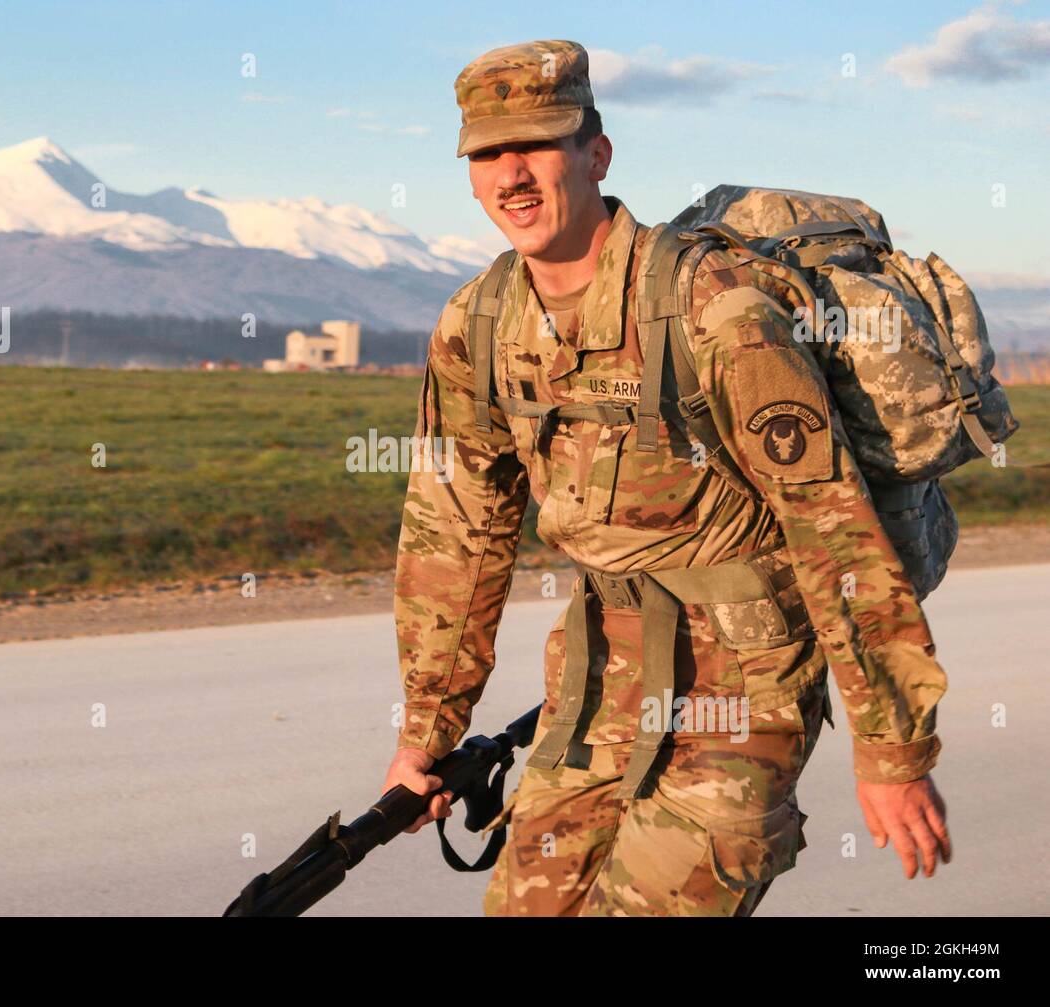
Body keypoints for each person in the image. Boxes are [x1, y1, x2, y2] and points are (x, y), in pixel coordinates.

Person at [380, 39, 951, 916]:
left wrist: (892, 751)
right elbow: (454, 534)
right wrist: (427, 732)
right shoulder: (479, 322)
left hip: (745, 685)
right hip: (594, 678)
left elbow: (830, 524)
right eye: (488, 154)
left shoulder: (712, 304)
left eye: (537, 144)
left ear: (597, 154)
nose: (512, 175)